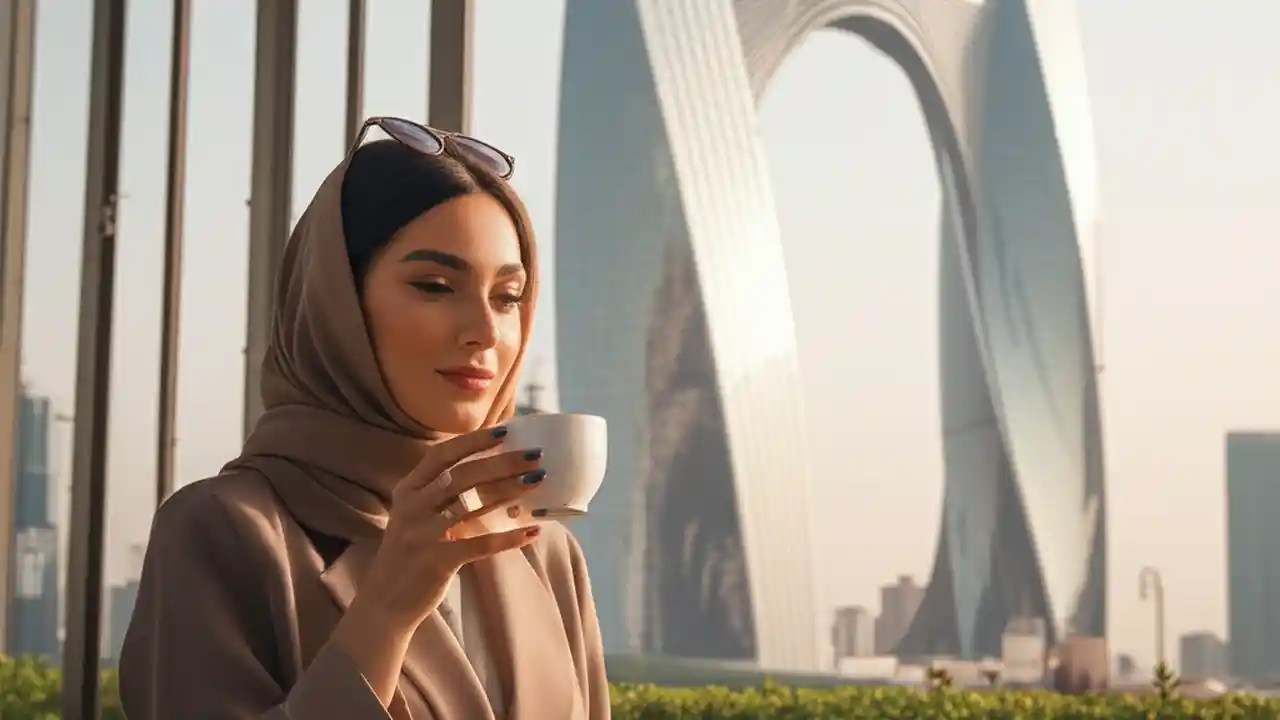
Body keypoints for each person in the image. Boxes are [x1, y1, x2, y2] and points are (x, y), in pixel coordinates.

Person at [118, 117, 610, 719]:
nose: (485, 332)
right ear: (336, 304)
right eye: (434, 286)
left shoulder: (542, 550)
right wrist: (386, 611)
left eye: (508, 298)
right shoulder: (225, 531)